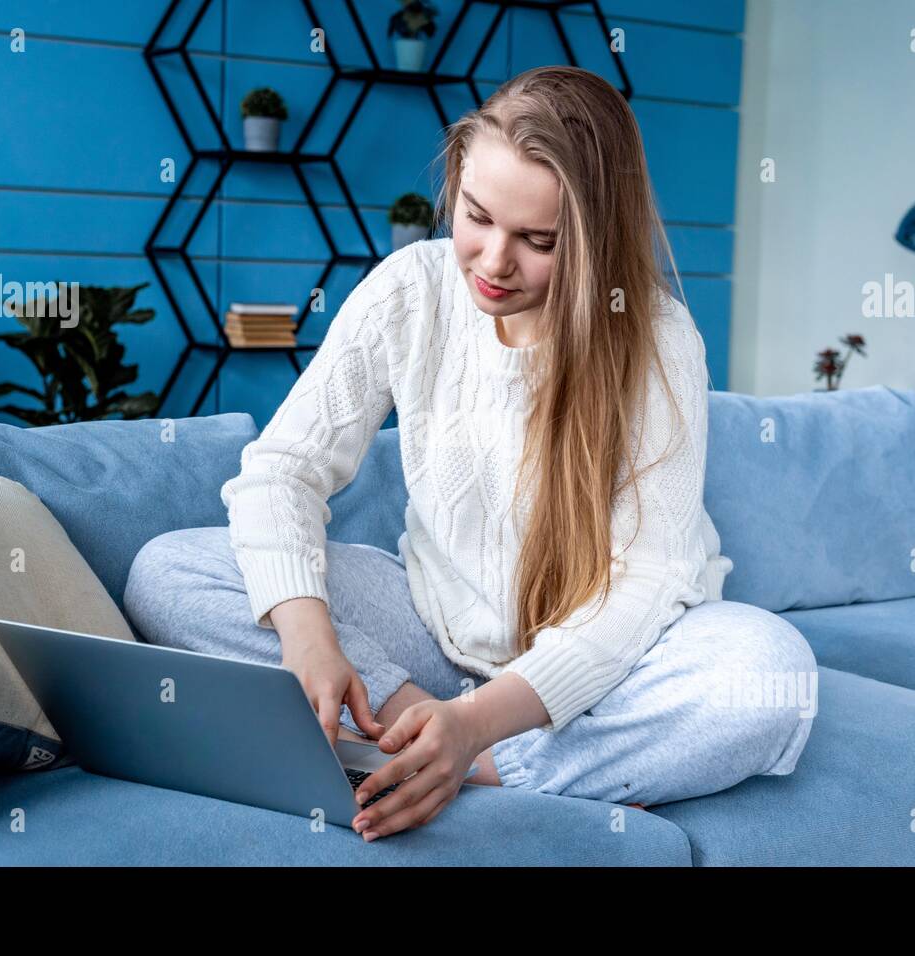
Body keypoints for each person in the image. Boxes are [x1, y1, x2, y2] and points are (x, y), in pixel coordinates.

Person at [124, 65, 817, 843]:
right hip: (434, 631)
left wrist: (478, 729)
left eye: (537, 241)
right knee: (170, 570)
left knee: (768, 676)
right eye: (478, 217)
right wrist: (308, 641)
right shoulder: (409, 290)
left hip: (619, 657)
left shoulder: (657, 340)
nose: (493, 262)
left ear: (593, 241)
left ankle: (471, 767)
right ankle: (428, 740)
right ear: (456, 178)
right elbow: (280, 472)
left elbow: (642, 588)